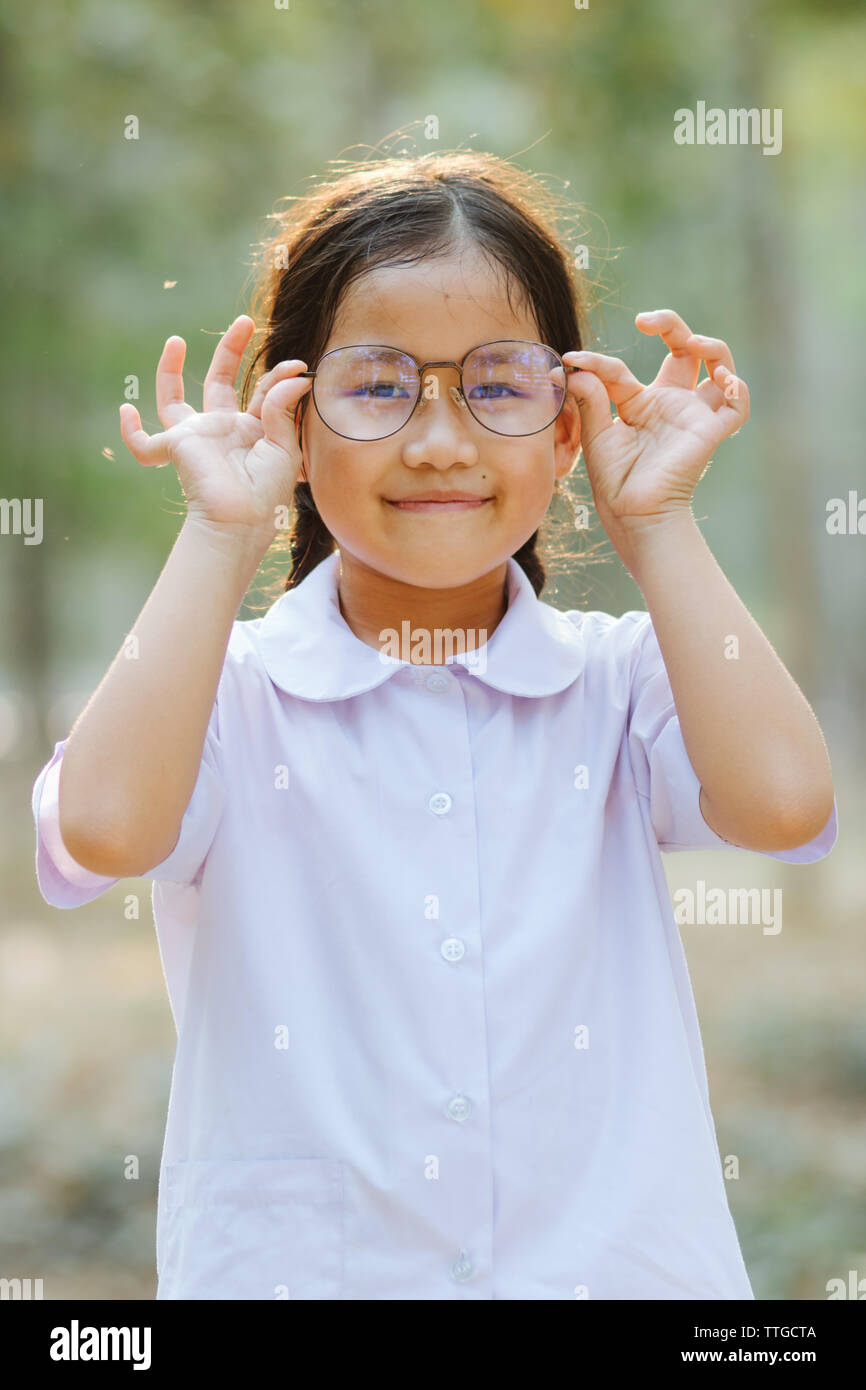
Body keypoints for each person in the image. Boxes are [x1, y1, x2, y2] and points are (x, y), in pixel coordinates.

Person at [31, 149, 837, 1300]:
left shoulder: (615, 682)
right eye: (376, 384)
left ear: (567, 431)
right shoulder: (229, 693)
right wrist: (220, 534)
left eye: (498, 383)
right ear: (294, 428)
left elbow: (785, 802)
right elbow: (105, 829)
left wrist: (657, 522)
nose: (439, 440)